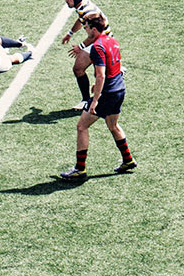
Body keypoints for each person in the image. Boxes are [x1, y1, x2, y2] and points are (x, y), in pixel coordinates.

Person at [56, 11, 135, 179]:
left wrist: (94, 101)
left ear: (93, 30)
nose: (85, 30)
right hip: (119, 89)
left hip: (106, 94)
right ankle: (128, 160)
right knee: (113, 126)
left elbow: (101, 75)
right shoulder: (112, 41)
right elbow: (114, 69)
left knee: (81, 126)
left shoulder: (97, 47)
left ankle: (80, 169)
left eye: (86, 28)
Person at [58, 0, 104, 104]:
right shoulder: (83, 6)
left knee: (98, 74)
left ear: (72, 0)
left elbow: (94, 35)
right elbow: (81, 20)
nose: (66, 1)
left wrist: (80, 47)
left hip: (101, 42)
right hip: (96, 41)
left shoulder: (86, 11)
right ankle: (86, 100)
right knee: (78, 69)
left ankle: (91, 101)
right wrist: (70, 33)